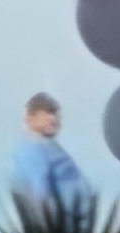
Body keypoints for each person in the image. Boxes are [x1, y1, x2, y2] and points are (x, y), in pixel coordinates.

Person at [9, 92, 91, 222]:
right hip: (63, 227)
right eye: (48, 112)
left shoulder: (50, 148)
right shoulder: (33, 149)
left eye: (56, 113)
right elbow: (40, 192)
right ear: (31, 118)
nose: (54, 118)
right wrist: (50, 226)